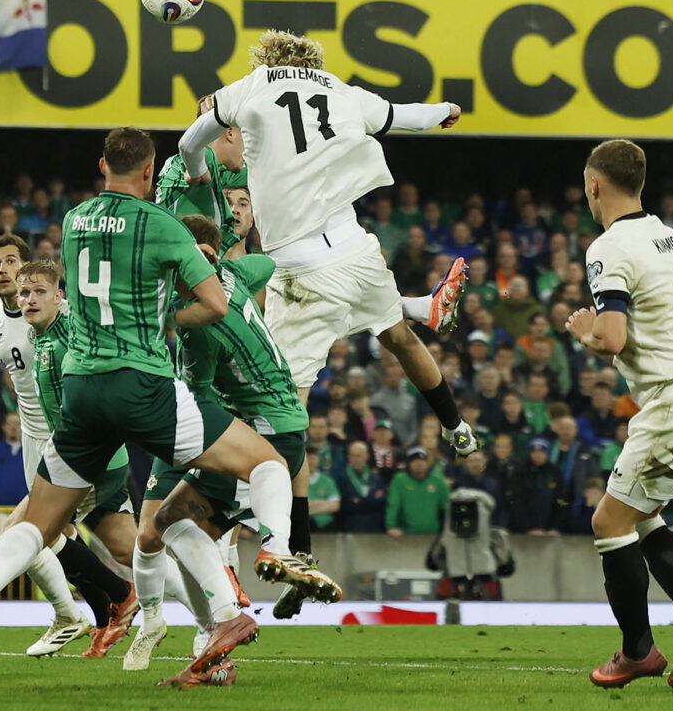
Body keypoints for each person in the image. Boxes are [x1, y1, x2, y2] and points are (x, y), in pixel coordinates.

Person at [0, 128, 308, 685]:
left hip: (81, 389)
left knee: (38, 519)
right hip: (143, 384)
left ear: (102, 164)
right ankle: (276, 550)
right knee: (266, 464)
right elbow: (214, 302)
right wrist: (165, 319)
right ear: (149, 171)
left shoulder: (73, 221)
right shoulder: (160, 224)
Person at [175, 30, 480, 470]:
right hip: (357, 248)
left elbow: (189, 144)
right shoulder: (339, 89)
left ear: (266, 59)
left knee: (285, 405)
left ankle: (289, 532)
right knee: (398, 338)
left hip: (299, 268)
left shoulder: (253, 85)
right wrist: (446, 110)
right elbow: (403, 115)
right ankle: (456, 427)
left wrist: (197, 175)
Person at [127, 216, 337, 682]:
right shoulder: (236, 275)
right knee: (176, 522)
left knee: (168, 523)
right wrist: (215, 261)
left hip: (260, 432)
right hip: (288, 425)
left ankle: (250, 584)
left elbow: (194, 401)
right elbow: (263, 264)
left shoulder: (196, 329)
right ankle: (218, 646)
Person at [567, 140, 673, 688]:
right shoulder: (669, 235)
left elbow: (611, 337)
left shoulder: (607, 248)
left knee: (608, 522)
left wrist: (584, 331)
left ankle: (638, 650)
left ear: (595, 185)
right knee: (641, 518)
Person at [0, 233, 132, 658]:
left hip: (75, 437)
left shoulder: (59, 314)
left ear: (29, 270)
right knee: (57, 535)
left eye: (10, 262)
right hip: (34, 436)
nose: (2, 269)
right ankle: (101, 608)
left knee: (35, 531)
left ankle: (89, 607)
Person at [12, 261, 142, 658]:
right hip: (84, 455)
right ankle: (210, 596)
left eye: (39, 292)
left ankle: (108, 602)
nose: (30, 299)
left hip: (92, 458)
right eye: (24, 293)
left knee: (26, 530)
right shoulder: (42, 337)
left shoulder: (71, 329)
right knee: (130, 548)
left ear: (59, 296)